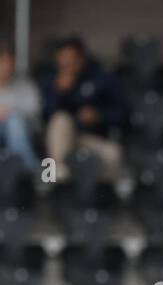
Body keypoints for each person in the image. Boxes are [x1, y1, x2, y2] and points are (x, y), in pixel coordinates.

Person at [39, 37, 127, 181]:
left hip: (90, 137)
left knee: (114, 154)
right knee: (61, 119)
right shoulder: (51, 79)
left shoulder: (103, 79)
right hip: (60, 138)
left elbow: (122, 113)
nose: (67, 64)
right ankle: (57, 178)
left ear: (81, 59)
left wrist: (100, 115)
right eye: (63, 59)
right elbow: (45, 116)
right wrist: (59, 92)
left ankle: (103, 193)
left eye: (71, 59)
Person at [0, 43, 41, 171]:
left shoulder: (26, 86)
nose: (7, 66)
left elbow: (34, 114)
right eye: (2, 61)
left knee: (14, 120)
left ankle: (29, 169)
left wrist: (9, 112)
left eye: (9, 61)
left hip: (23, 130)